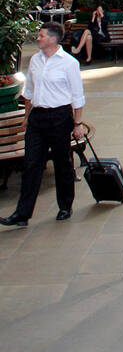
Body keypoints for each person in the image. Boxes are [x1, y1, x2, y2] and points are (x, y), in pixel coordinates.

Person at [0, 22, 86, 227]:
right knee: (31, 165)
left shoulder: (69, 63)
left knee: (62, 163)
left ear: (53, 39)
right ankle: (22, 214)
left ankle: (65, 205)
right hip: (37, 118)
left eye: (41, 36)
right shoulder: (36, 61)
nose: (37, 38)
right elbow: (29, 92)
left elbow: (78, 96)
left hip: (59, 117)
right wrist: (27, 117)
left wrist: (78, 123)